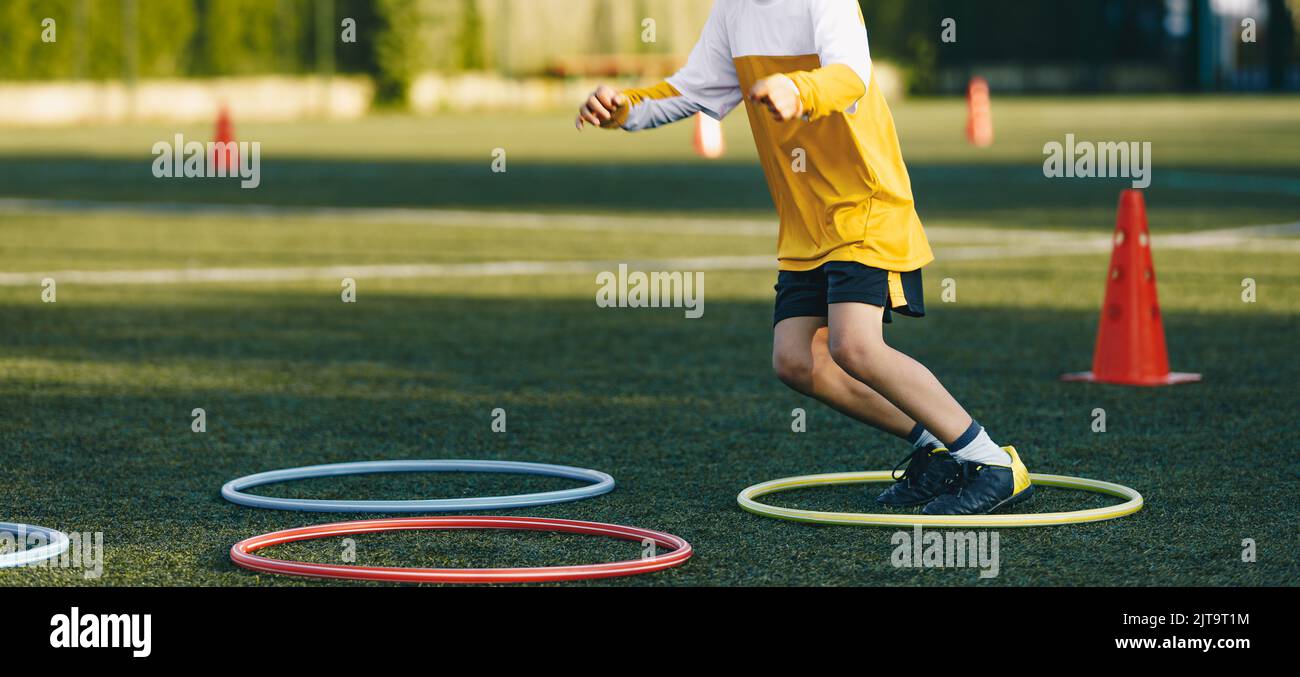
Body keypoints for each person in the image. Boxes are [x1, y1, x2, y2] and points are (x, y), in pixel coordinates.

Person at [575, 0, 1031, 515]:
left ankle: (991, 462)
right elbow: (691, 88)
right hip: (805, 222)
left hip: (865, 203)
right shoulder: (733, 10)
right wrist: (625, 110)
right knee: (795, 361)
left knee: (855, 347)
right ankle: (937, 448)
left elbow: (852, 75)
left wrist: (798, 88)